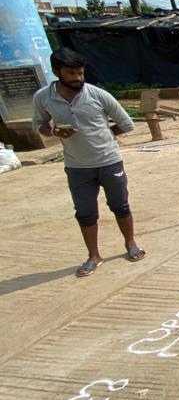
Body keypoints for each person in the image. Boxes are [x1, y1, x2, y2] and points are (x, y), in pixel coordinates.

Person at [33, 47, 144, 278]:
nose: (78, 78)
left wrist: (104, 135)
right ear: (57, 72)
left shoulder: (97, 94)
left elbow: (126, 123)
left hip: (109, 161)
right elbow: (39, 125)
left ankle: (131, 243)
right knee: (85, 212)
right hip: (77, 167)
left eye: (80, 73)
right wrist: (53, 131)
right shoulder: (43, 98)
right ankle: (94, 255)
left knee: (120, 206)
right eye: (71, 74)